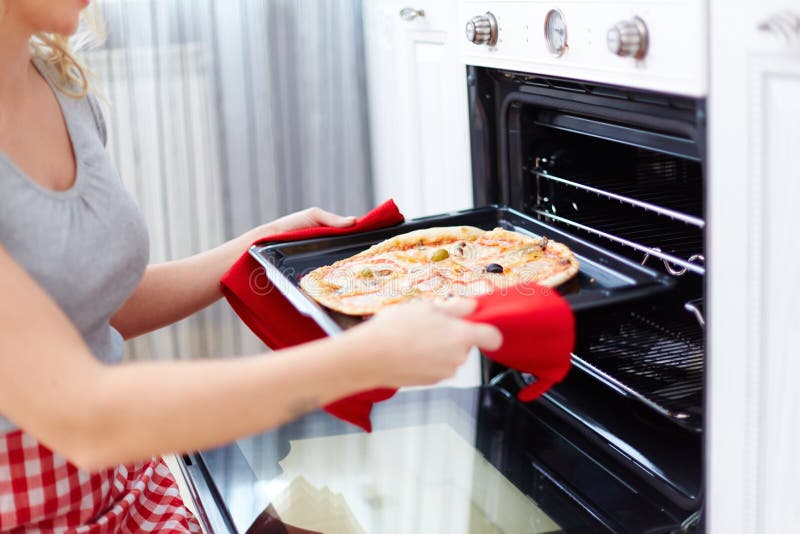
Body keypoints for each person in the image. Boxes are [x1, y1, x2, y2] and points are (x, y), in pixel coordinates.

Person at [0, 1, 502, 531]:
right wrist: (364, 358)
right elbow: (87, 420)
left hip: (125, 487)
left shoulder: (61, 87)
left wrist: (261, 245)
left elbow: (94, 305)